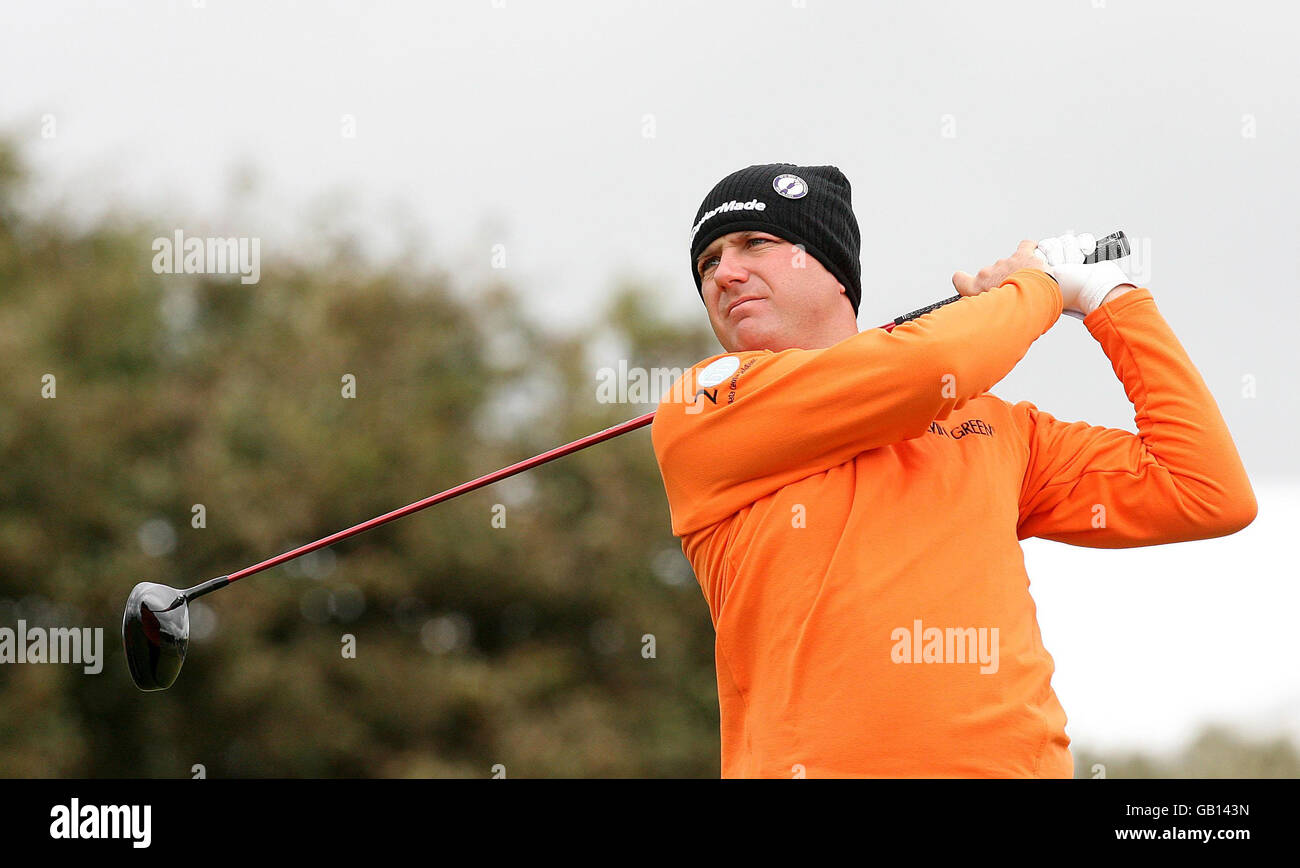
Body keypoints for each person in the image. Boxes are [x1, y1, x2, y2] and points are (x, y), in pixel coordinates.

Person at [651, 162, 1258, 778]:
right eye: (708, 264)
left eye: (756, 243)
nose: (724, 273)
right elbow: (934, 361)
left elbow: (1206, 490)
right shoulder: (703, 405)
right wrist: (1042, 287)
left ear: (833, 272)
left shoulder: (996, 428)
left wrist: (1110, 299)